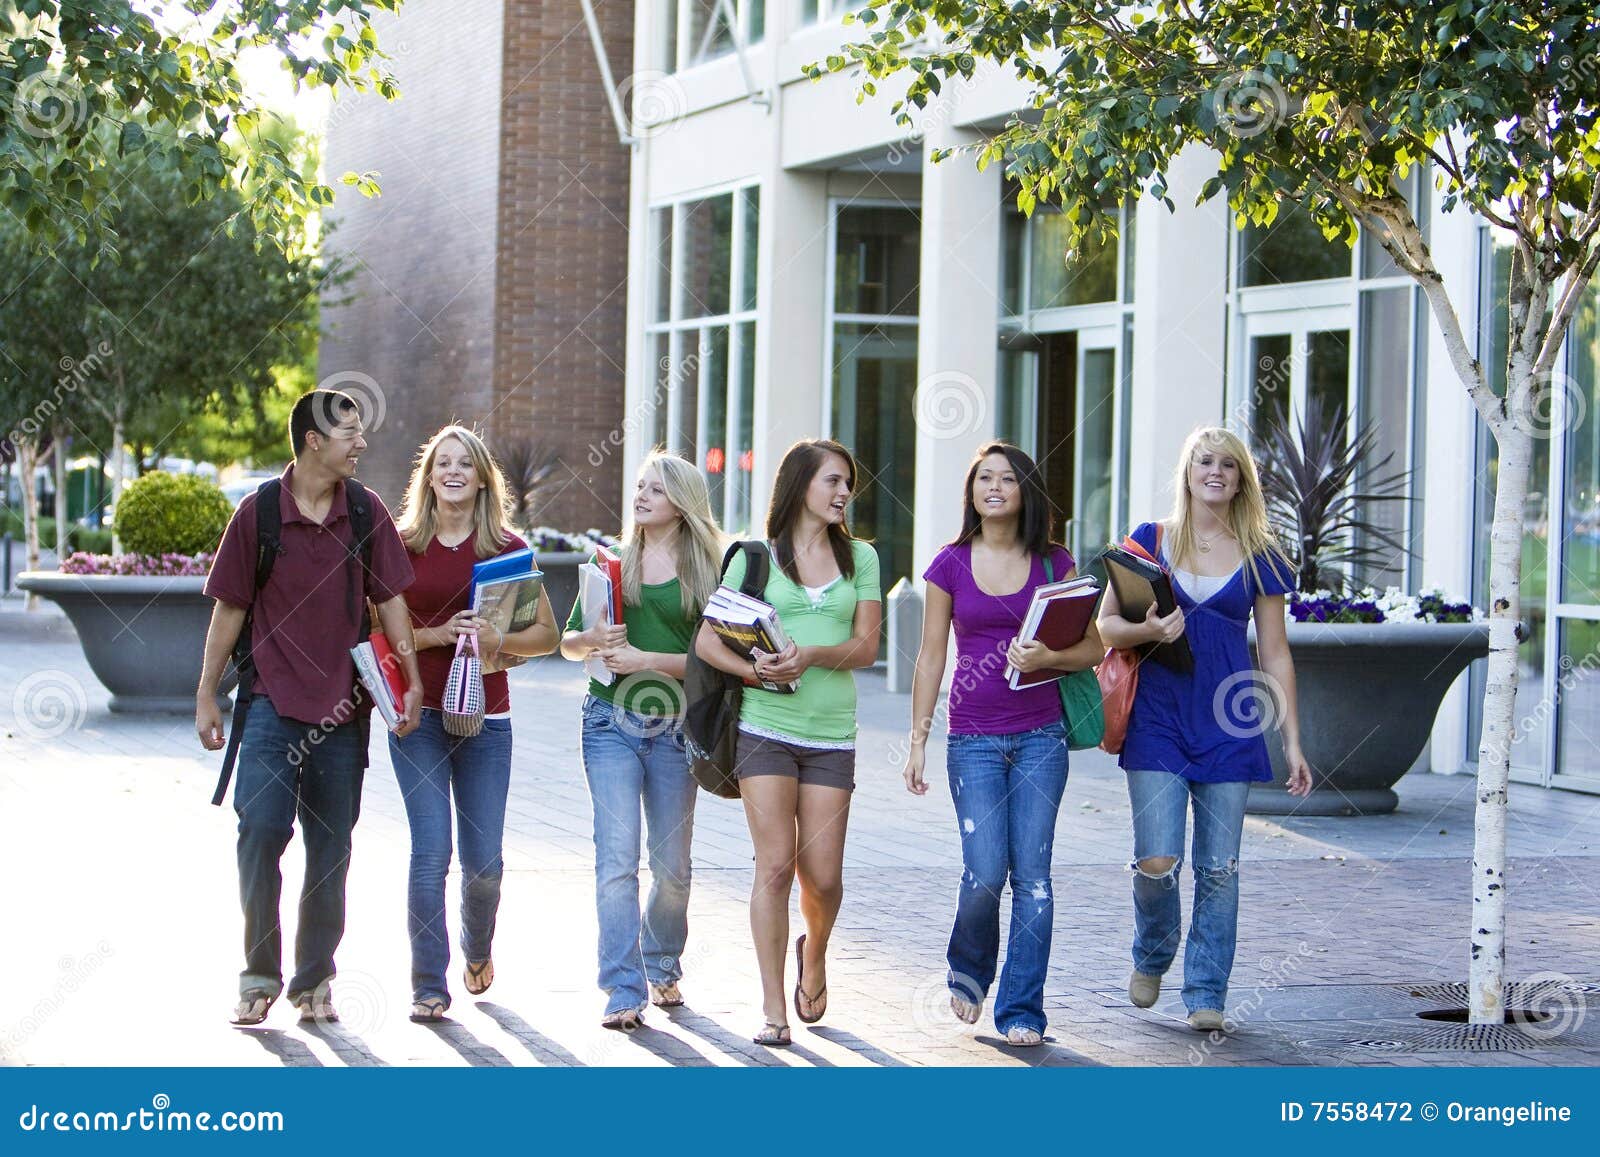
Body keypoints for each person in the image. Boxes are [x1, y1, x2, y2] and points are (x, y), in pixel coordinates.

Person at [197, 388, 422, 1027]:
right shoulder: (259, 513)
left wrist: (409, 680)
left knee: (330, 849)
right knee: (260, 832)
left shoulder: (366, 511)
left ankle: (314, 978)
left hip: (342, 711)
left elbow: (392, 602)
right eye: (351, 433)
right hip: (270, 702)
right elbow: (230, 607)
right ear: (314, 442)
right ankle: (259, 975)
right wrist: (207, 692)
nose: (362, 443)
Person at [1095, 425, 1312, 1032]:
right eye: (1204, 462)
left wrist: (1292, 739)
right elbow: (1106, 626)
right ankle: (1153, 950)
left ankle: (1207, 991)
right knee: (1157, 859)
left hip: (1230, 722)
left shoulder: (1262, 553)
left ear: (1241, 480)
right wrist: (1148, 631)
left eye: (1228, 465)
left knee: (1219, 867)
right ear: (1187, 473)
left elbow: (1276, 653)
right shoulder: (1148, 540)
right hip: (1157, 718)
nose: (1215, 472)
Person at [904, 443, 1104, 1046]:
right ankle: (968, 971)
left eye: (1008, 479)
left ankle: (1022, 1010)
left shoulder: (1055, 563)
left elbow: (1093, 648)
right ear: (971, 491)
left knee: (1035, 877)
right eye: (984, 478)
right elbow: (931, 655)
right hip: (972, 740)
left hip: (1042, 735)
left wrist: (1048, 658)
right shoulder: (949, 565)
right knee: (986, 871)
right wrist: (917, 741)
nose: (994, 487)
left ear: (1026, 492)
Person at [694, 439, 882, 1047]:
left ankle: (815, 952)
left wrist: (811, 655)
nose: (843, 492)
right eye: (832, 480)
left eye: (848, 483)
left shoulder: (862, 558)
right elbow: (707, 642)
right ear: (800, 484)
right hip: (765, 730)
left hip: (831, 736)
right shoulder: (754, 558)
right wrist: (755, 673)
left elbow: (867, 648)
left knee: (822, 878)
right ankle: (774, 1009)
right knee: (774, 868)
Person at [389, 425, 560, 1022]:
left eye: (465, 463)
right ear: (428, 477)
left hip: (487, 719)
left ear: (484, 478)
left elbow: (548, 636)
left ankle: (478, 946)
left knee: (484, 863)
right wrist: (440, 633)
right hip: (419, 716)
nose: (453, 471)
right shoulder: (402, 545)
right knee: (431, 851)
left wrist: (497, 640)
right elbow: (375, 628)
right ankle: (427, 984)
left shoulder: (507, 549)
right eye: (443, 463)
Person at [560, 451, 725, 1031]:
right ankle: (623, 988)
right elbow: (568, 645)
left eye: (655, 488)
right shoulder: (609, 564)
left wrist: (644, 659)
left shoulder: (710, 571)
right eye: (639, 486)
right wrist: (591, 638)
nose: (641, 496)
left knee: (672, 866)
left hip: (677, 730)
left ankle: (661, 961)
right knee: (617, 859)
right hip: (610, 723)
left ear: (682, 501)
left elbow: (716, 663)